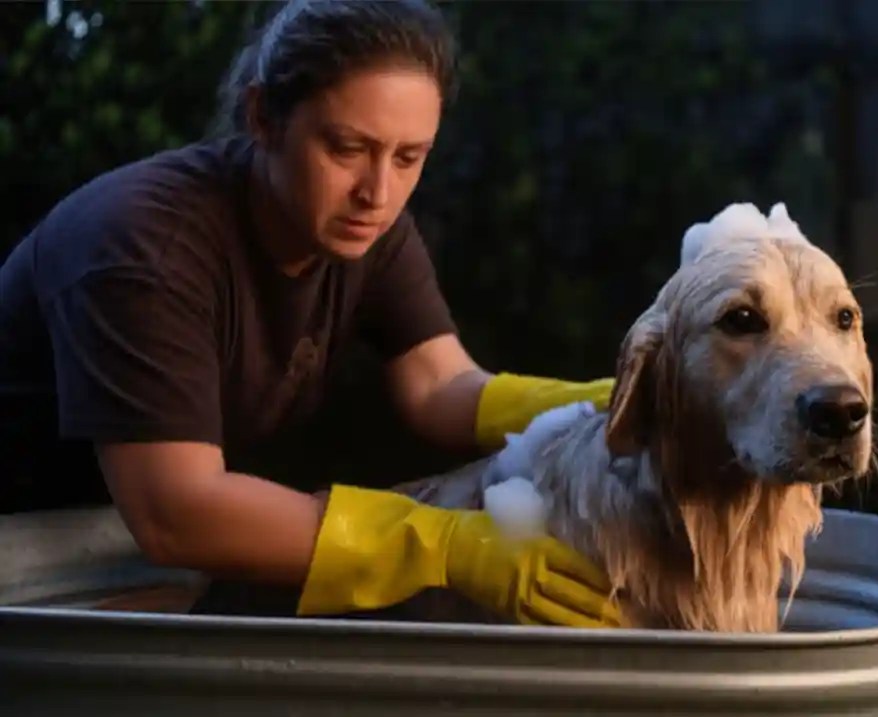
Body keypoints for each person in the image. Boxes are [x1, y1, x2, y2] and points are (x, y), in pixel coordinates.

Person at [0, 0, 620, 628]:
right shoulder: (143, 248)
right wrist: (441, 546)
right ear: (263, 118)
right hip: (30, 558)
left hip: (134, 556)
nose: (377, 192)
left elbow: (437, 385)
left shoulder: (365, 229)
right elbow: (178, 512)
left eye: (409, 157)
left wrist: (598, 406)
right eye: (348, 147)